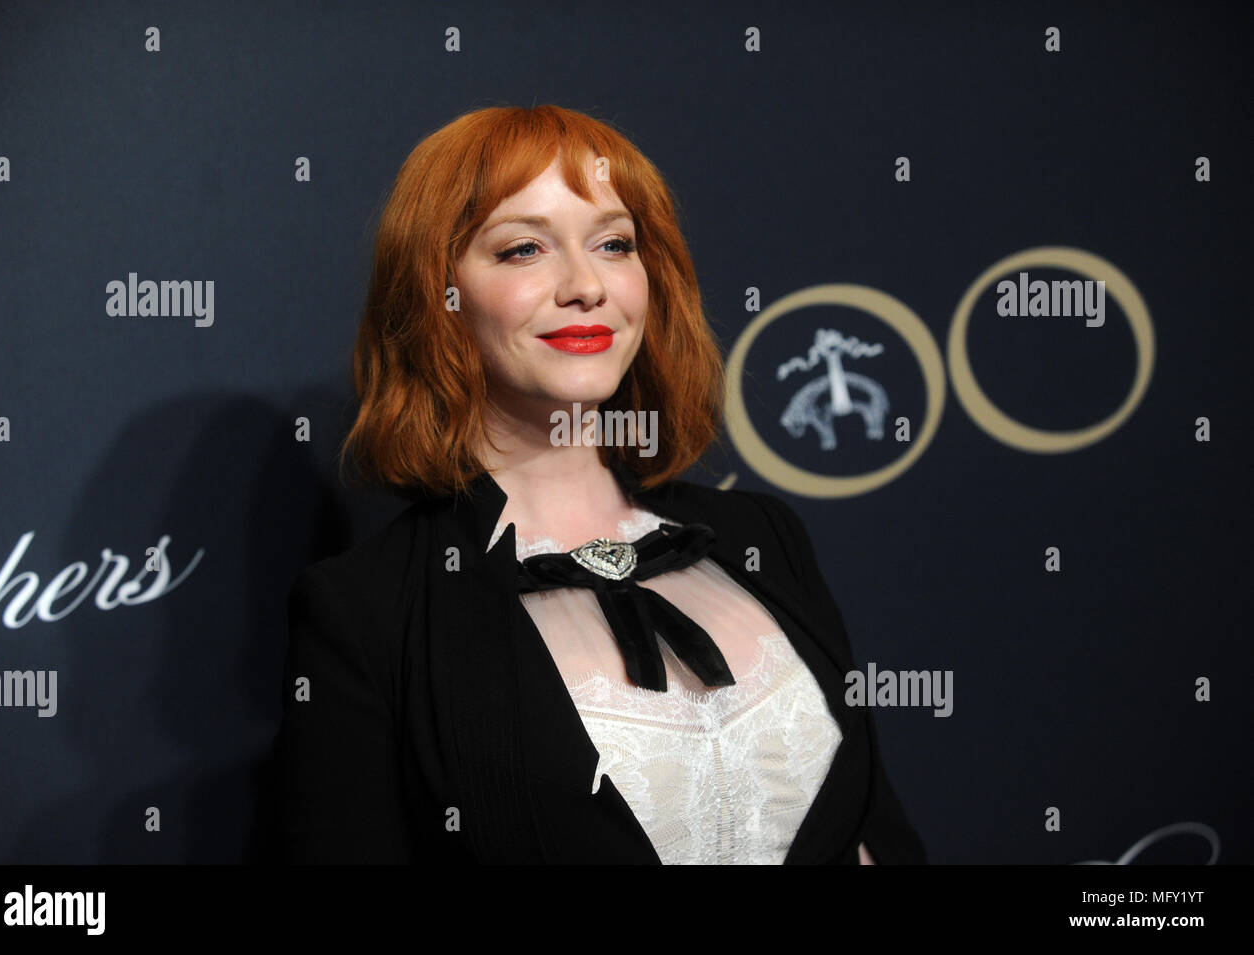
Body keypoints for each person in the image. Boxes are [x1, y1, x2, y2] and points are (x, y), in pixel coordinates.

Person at [274, 104, 927, 864]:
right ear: (436, 295)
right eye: (523, 249)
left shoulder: (761, 537)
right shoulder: (369, 613)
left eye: (614, 243)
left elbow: (882, 835)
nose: (585, 284)